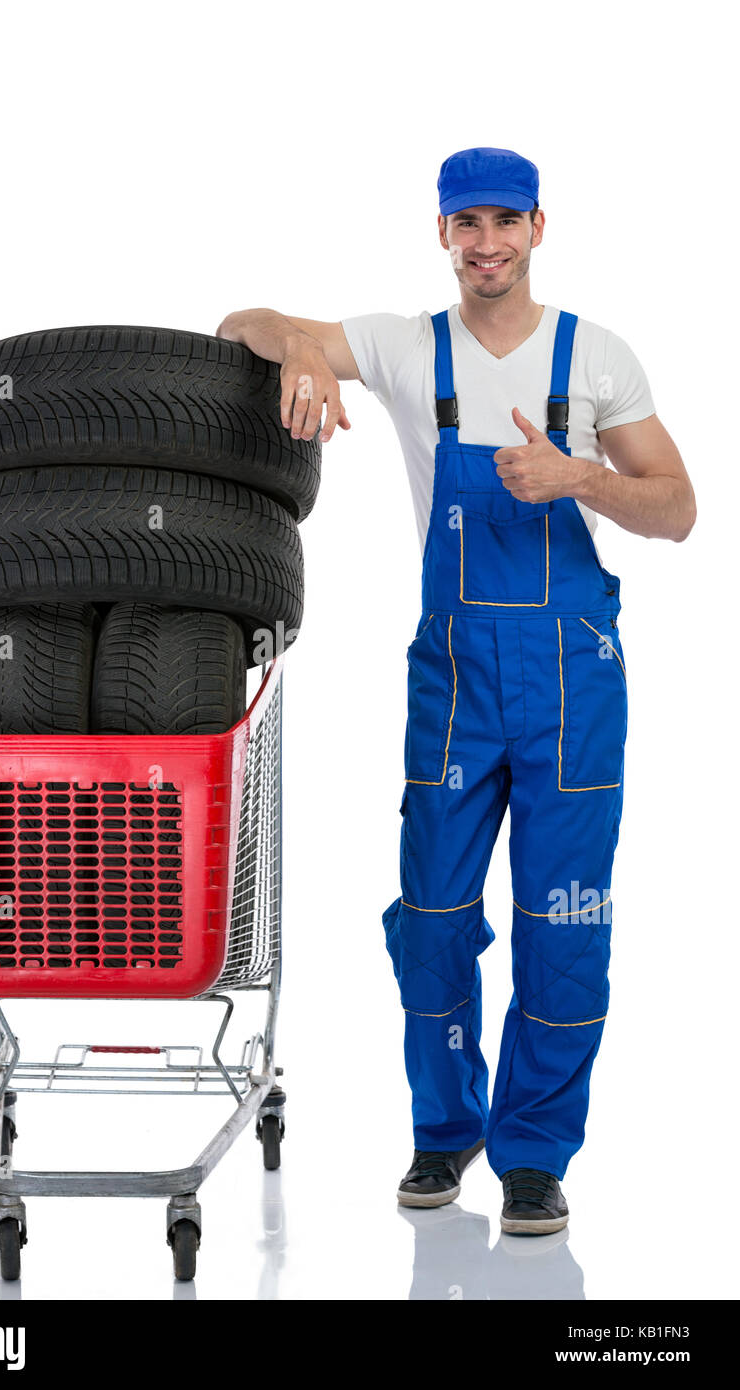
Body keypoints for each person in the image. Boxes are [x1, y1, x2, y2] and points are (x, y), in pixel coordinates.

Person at [216, 146, 695, 1236]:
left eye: (504, 221)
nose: (485, 242)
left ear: (538, 226)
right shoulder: (401, 346)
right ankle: (444, 1131)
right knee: (429, 916)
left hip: (572, 680)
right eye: (464, 222)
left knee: (559, 922)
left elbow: (676, 509)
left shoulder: (594, 357)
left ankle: (532, 1153)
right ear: (441, 231)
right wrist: (298, 354)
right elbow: (240, 317)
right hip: (453, 677)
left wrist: (577, 475)